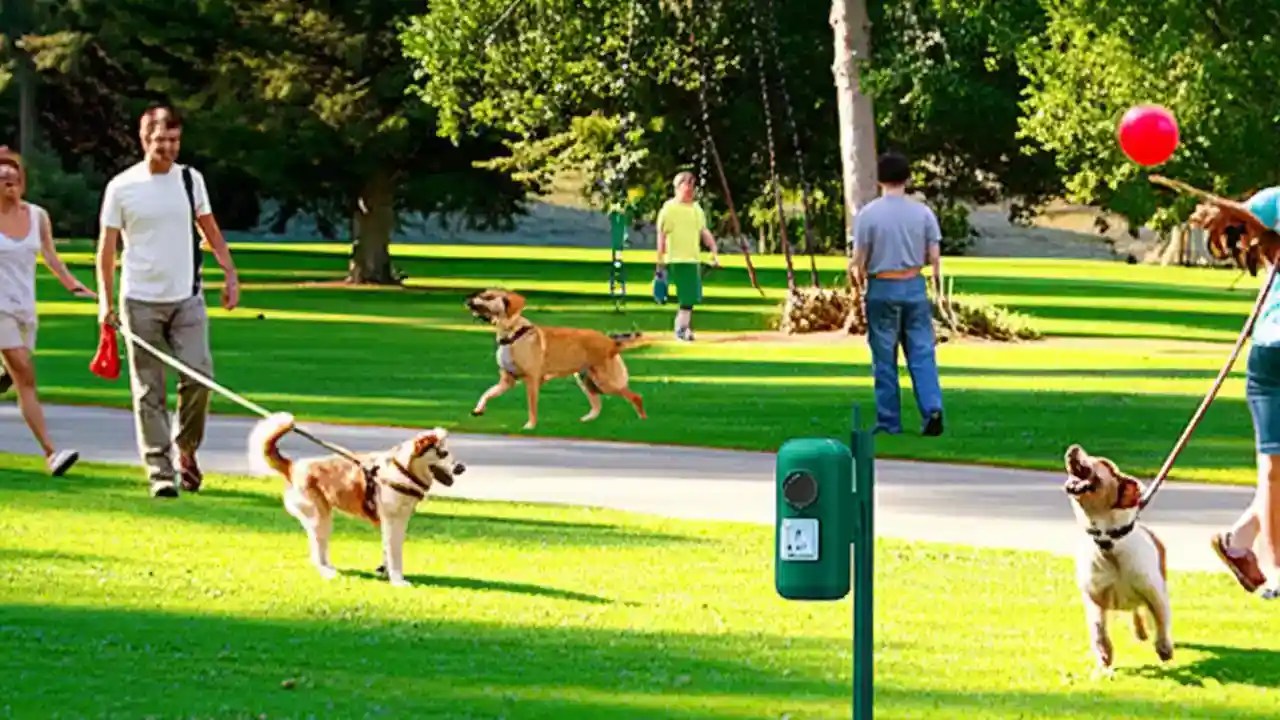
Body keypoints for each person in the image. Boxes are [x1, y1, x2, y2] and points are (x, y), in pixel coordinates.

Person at [95, 105, 240, 498]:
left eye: (175, 141)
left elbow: (208, 228)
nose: (170, 148)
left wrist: (229, 272)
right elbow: (106, 251)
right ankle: (160, 471)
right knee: (148, 390)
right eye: (162, 141)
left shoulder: (191, 180)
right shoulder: (122, 187)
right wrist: (104, 304)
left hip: (187, 298)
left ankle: (186, 448)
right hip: (139, 300)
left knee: (199, 374)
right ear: (145, 140)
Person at [1204, 186, 1280, 599]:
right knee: (1274, 465)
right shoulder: (1275, 200)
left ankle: (1239, 541)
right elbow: (1229, 223)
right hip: (1272, 350)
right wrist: (1232, 221)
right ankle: (1277, 568)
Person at [0, 147, 94, 475]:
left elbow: (51, 256)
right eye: (2, 179)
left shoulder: (37, 215)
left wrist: (73, 284)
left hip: (26, 308)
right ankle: (51, 453)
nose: (9, 184)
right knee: (26, 377)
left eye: (14, 178)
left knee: (17, 375)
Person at [849, 151, 944, 436]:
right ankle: (932, 409)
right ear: (908, 178)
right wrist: (938, 291)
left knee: (884, 357)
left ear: (879, 179)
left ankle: (889, 421)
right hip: (914, 284)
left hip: (882, 286)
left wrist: (856, 287)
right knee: (922, 353)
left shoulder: (868, 215)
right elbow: (934, 257)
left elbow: (859, 261)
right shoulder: (923, 213)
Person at [655, 171, 719, 341]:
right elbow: (661, 235)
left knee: (690, 297)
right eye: (686, 185)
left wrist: (713, 249)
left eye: (692, 186)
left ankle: (683, 327)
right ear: (677, 188)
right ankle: (681, 328)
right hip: (676, 259)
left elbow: (703, 231)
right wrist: (659, 260)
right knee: (687, 296)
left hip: (692, 259)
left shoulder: (696, 209)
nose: (690, 189)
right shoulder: (669, 209)